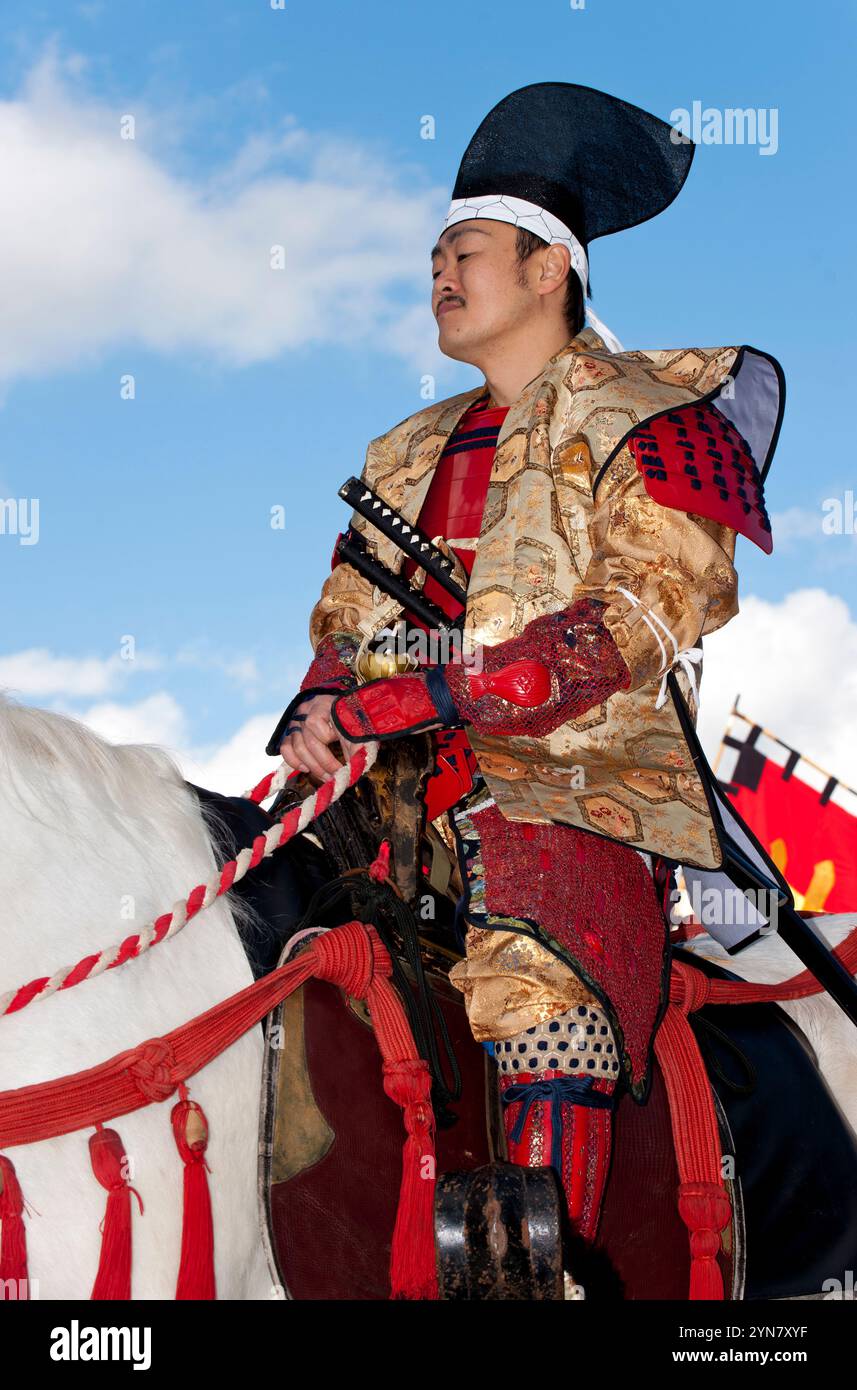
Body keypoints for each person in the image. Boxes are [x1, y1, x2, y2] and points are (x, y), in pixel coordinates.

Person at [266, 83, 784, 1250]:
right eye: (433, 257)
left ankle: (540, 1281)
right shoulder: (401, 452)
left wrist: (450, 689)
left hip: (574, 799)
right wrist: (320, 705)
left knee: (539, 973)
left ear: (548, 268)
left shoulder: (654, 413)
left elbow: (647, 612)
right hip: (389, 812)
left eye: (464, 251)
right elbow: (344, 621)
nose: (437, 276)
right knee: (256, 937)